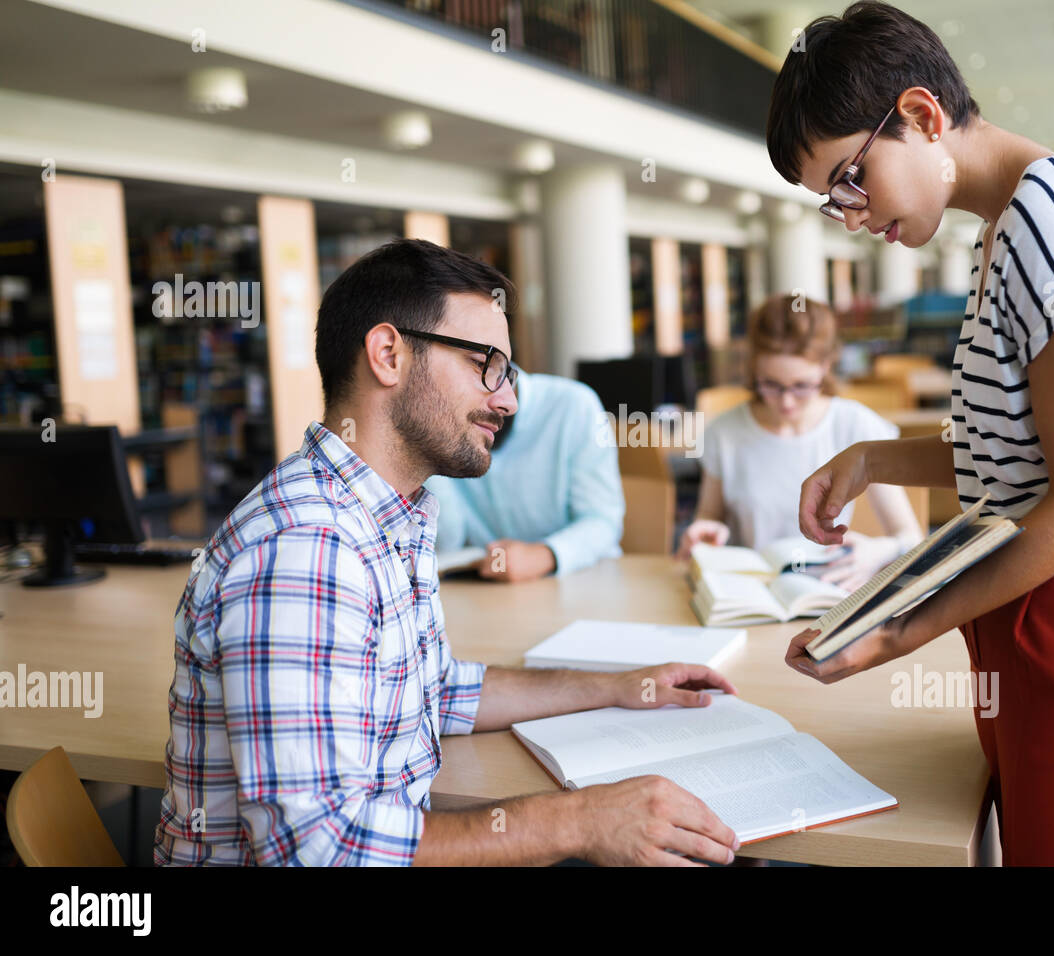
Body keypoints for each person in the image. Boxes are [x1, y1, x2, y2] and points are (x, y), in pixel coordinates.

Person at [768, 1, 1054, 865]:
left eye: (850, 179)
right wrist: (872, 459)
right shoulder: (1009, 228)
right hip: (1033, 607)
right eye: (831, 202)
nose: (851, 214)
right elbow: (1024, 456)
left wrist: (902, 629)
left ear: (923, 115)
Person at [155, 239, 739, 866]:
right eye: (486, 363)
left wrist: (621, 687)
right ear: (389, 355)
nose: (508, 398)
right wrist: (581, 821)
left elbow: (438, 691)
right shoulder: (307, 549)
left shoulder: (389, 513)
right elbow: (322, 852)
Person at [676, 293, 923, 591]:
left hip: (827, 593)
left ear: (826, 367)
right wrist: (704, 532)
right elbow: (709, 516)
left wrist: (878, 551)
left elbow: (910, 537)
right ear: (754, 369)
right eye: (771, 384)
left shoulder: (856, 425)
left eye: (802, 386)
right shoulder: (724, 433)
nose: (787, 401)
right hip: (751, 596)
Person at [425, 366, 624, 582]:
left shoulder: (574, 405)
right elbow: (448, 541)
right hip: (492, 587)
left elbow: (603, 520)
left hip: (582, 579)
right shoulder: (447, 417)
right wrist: (428, 448)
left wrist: (543, 555)